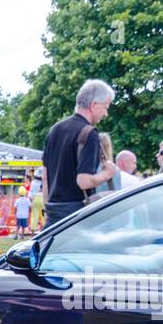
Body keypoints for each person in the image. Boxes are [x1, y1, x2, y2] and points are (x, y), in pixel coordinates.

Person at [42, 79, 117, 225]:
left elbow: (45, 177)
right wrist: (107, 173)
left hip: (52, 213)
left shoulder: (54, 130)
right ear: (94, 105)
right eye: (105, 107)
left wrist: (47, 211)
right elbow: (84, 181)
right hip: (75, 215)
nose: (106, 113)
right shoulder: (89, 133)